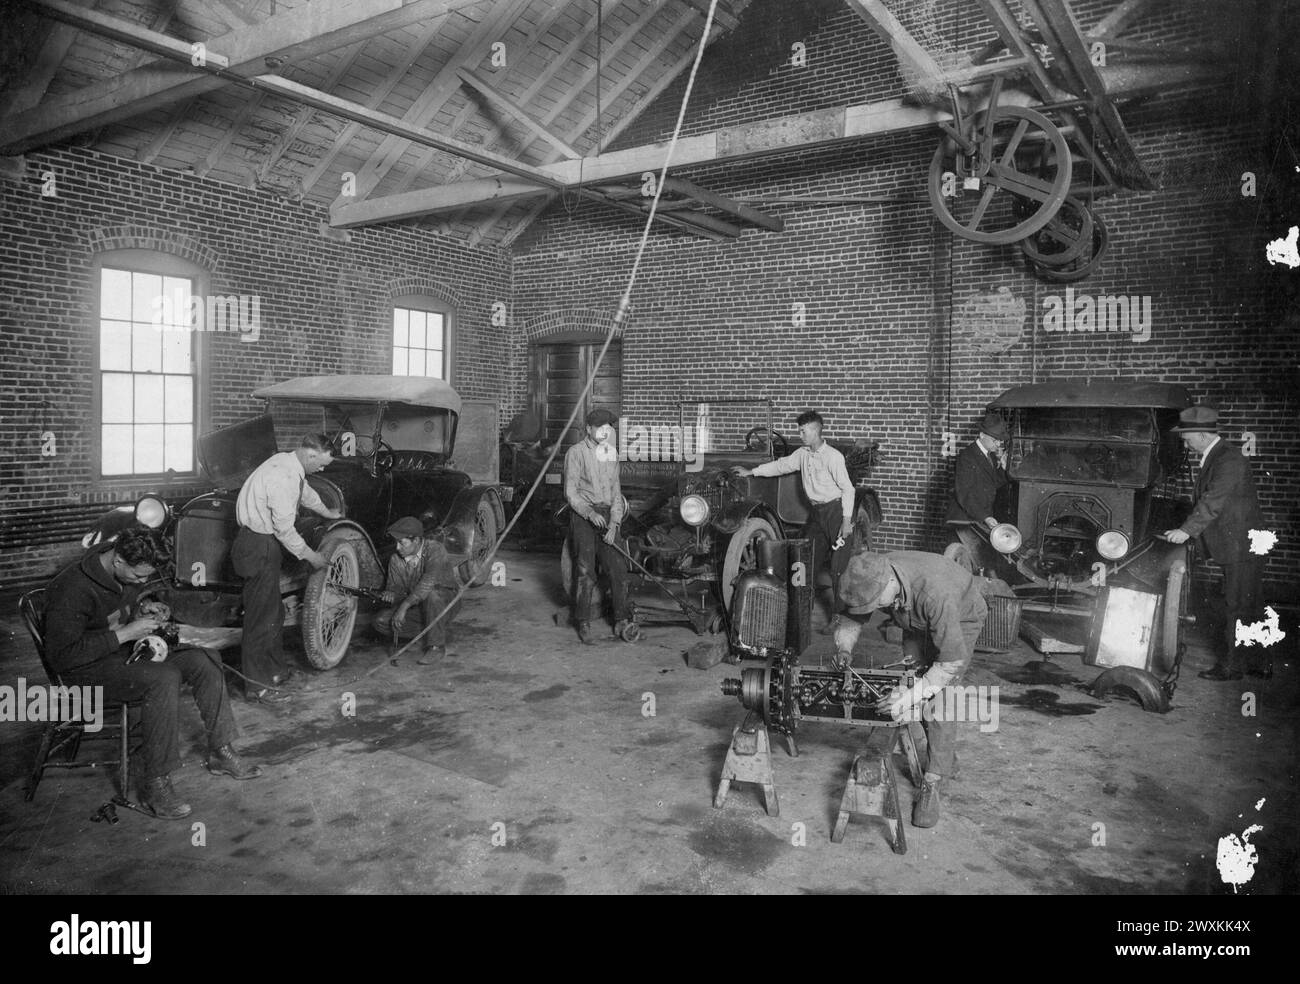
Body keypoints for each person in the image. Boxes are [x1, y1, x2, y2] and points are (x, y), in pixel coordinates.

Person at [43, 527, 262, 820]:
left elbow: (121, 603)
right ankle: (157, 783)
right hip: (84, 672)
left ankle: (221, 749)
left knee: (204, 658)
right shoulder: (71, 587)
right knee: (163, 679)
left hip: (120, 654)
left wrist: (144, 607)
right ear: (118, 559)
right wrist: (125, 634)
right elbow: (62, 657)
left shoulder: (120, 570)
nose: (143, 581)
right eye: (138, 577)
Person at [832, 550, 988, 829]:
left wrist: (910, 696)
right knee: (912, 674)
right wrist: (844, 647)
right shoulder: (870, 573)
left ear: (889, 584)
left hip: (960, 617)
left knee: (940, 696)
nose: (870, 612)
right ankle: (946, 757)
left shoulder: (936, 595)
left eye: (873, 605)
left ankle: (933, 781)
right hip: (914, 618)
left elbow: (949, 665)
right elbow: (852, 617)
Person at [233, 433, 341, 701]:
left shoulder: (288, 464)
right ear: (310, 454)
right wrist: (311, 556)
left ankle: (275, 671)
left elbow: (306, 494)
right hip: (257, 545)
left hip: (262, 544)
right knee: (260, 619)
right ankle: (258, 687)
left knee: (273, 613)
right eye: (322, 464)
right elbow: (284, 529)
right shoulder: (283, 476)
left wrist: (328, 513)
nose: (323, 469)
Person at [1162, 404, 1266, 681]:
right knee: (1249, 603)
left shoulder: (1228, 459)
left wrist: (1187, 530)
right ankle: (1258, 664)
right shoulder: (1218, 457)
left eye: (1187, 437)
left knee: (1239, 605)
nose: (1185, 442)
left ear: (1203, 435)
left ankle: (1233, 668)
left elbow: (1214, 500)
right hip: (1240, 543)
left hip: (1241, 545)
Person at [732, 410, 855, 626]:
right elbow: (780, 466)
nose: (800, 434)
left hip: (836, 513)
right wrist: (751, 472)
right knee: (804, 564)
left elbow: (848, 489)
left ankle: (838, 617)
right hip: (816, 514)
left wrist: (846, 522)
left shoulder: (833, 457)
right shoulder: (802, 453)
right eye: (800, 430)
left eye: (803, 430)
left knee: (837, 570)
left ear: (816, 431)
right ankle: (801, 615)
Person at [564, 408, 632, 644]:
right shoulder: (576, 453)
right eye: (600, 427)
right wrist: (590, 513)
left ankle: (622, 619)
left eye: (608, 428)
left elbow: (616, 492)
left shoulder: (612, 453)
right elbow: (571, 493)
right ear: (589, 429)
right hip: (583, 515)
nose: (604, 432)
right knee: (585, 570)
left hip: (607, 516)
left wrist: (614, 523)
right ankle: (582, 620)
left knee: (619, 568)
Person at [374, 517, 463, 664]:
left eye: (402, 543)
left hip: (445, 602)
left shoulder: (435, 549)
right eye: (396, 543)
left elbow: (427, 584)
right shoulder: (396, 559)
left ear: (416, 540)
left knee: (433, 595)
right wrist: (390, 594)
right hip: (419, 607)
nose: (397, 547)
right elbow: (395, 587)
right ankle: (431, 630)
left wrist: (403, 608)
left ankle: (436, 646)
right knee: (381, 621)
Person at [945, 411, 1010, 574]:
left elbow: (993, 484)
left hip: (980, 517)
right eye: (995, 440)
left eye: (1000, 441)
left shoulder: (990, 457)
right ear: (982, 435)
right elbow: (964, 493)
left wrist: (1002, 468)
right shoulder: (966, 456)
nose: (998, 444)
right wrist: (985, 517)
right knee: (976, 563)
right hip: (966, 519)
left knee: (985, 562)